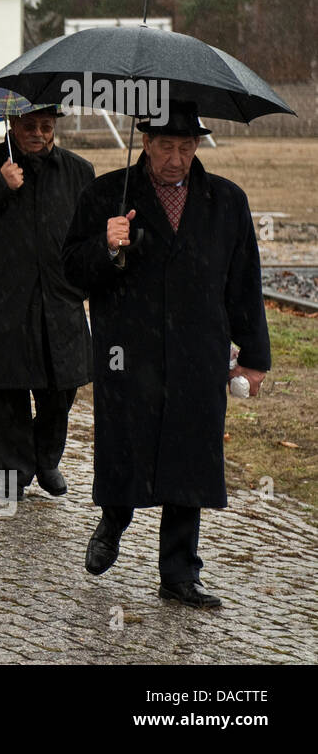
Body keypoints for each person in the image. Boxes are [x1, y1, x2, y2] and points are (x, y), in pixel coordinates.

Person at [61, 100, 270, 609]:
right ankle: (114, 518)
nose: (176, 158)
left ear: (198, 145)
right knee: (126, 442)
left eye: (186, 146)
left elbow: (244, 283)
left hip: (198, 349)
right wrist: (108, 248)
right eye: (165, 146)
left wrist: (254, 356)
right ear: (146, 142)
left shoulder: (226, 200)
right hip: (127, 350)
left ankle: (179, 571)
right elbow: (70, 269)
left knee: (190, 454)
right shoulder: (107, 194)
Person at [0, 105, 95, 499]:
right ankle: (14, 470)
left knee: (62, 384)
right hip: (4, 298)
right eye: (30, 126)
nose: (39, 134)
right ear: (12, 124)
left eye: (47, 126)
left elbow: (91, 230)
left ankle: (46, 459)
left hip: (60, 296)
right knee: (8, 388)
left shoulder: (79, 171)